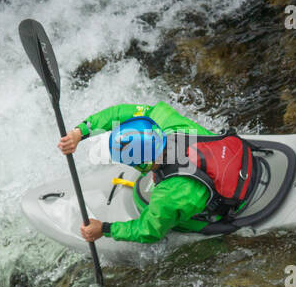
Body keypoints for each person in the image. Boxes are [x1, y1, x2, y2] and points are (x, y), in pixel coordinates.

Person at [58, 102, 253, 244]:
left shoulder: (168, 195)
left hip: (228, 202)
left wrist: (104, 229)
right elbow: (119, 112)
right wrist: (79, 132)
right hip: (242, 159)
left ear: (143, 164)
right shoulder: (170, 123)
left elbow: (149, 231)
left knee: (160, 213)